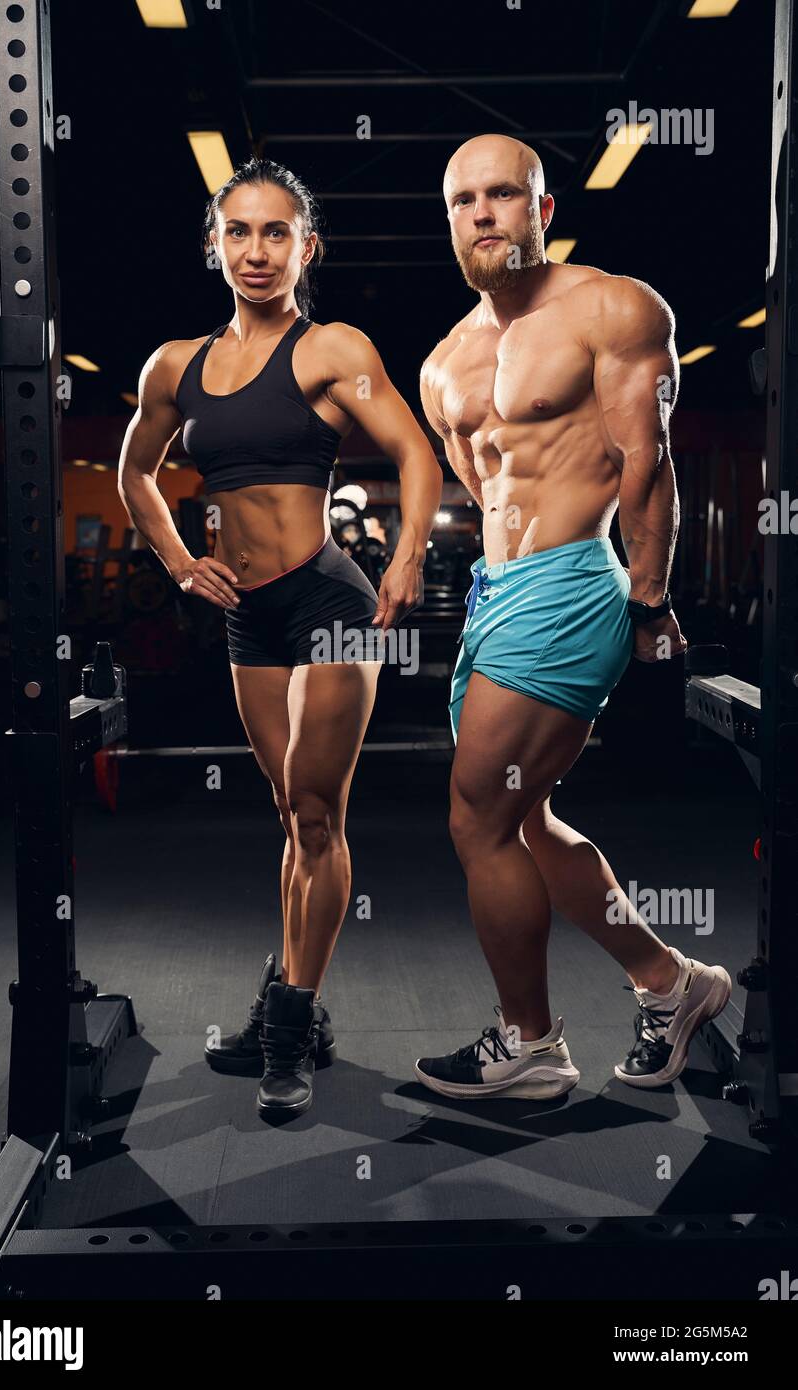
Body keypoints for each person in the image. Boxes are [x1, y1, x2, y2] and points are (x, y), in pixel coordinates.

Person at [118, 158, 443, 1118]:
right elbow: (139, 475)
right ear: (216, 246)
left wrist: (409, 557)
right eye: (239, 232)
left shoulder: (331, 348)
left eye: (276, 233)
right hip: (245, 613)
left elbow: (417, 454)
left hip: (328, 600)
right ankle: (297, 992)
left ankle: (289, 1026)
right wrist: (180, 563)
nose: (257, 251)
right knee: (287, 810)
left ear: (307, 247)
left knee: (314, 809)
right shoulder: (174, 366)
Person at [415, 134, 731, 1100]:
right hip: (496, 592)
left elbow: (647, 460)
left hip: (572, 580)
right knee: (525, 819)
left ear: (541, 210)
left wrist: (648, 598)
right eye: (464, 199)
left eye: (503, 193)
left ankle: (533, 1043)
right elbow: (481, 487)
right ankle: (671, 984)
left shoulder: (612, 306)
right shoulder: (444, 362)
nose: (482, 213)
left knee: (479, 818)